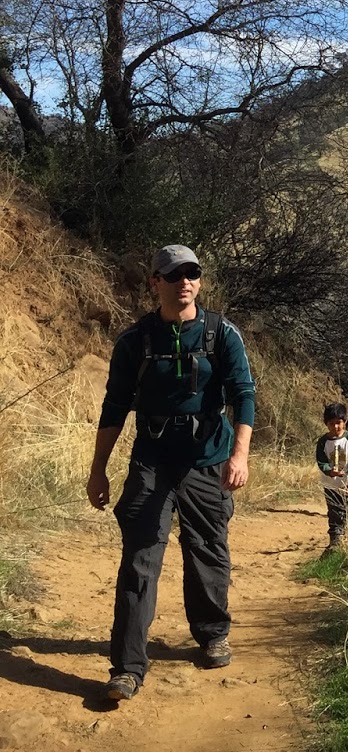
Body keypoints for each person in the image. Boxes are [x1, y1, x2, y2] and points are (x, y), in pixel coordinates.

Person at [86, 244, 255, 704]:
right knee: (140, 559)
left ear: (200, 280)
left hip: (207, 462)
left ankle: (213, 633)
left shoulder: (222, 334)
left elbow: (243, 395)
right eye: (174, 273)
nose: (184, 280)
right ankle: (126, 668)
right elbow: (114, 407)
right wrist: (98, 471)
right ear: (154, 282)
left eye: (192, 272)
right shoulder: (135, 340)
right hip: (151, 463)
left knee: (208, 551)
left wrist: (238, 456)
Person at [316, 403, 348, 549]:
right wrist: (329, 470)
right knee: (334, 510)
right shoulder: (323, 441)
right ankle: (335, 539)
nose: (335, 427)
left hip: (346, 483)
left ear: (344, 422)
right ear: (326, 424)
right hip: (330, 483)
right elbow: (321, 461)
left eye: (338, 423)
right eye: (331, 423)